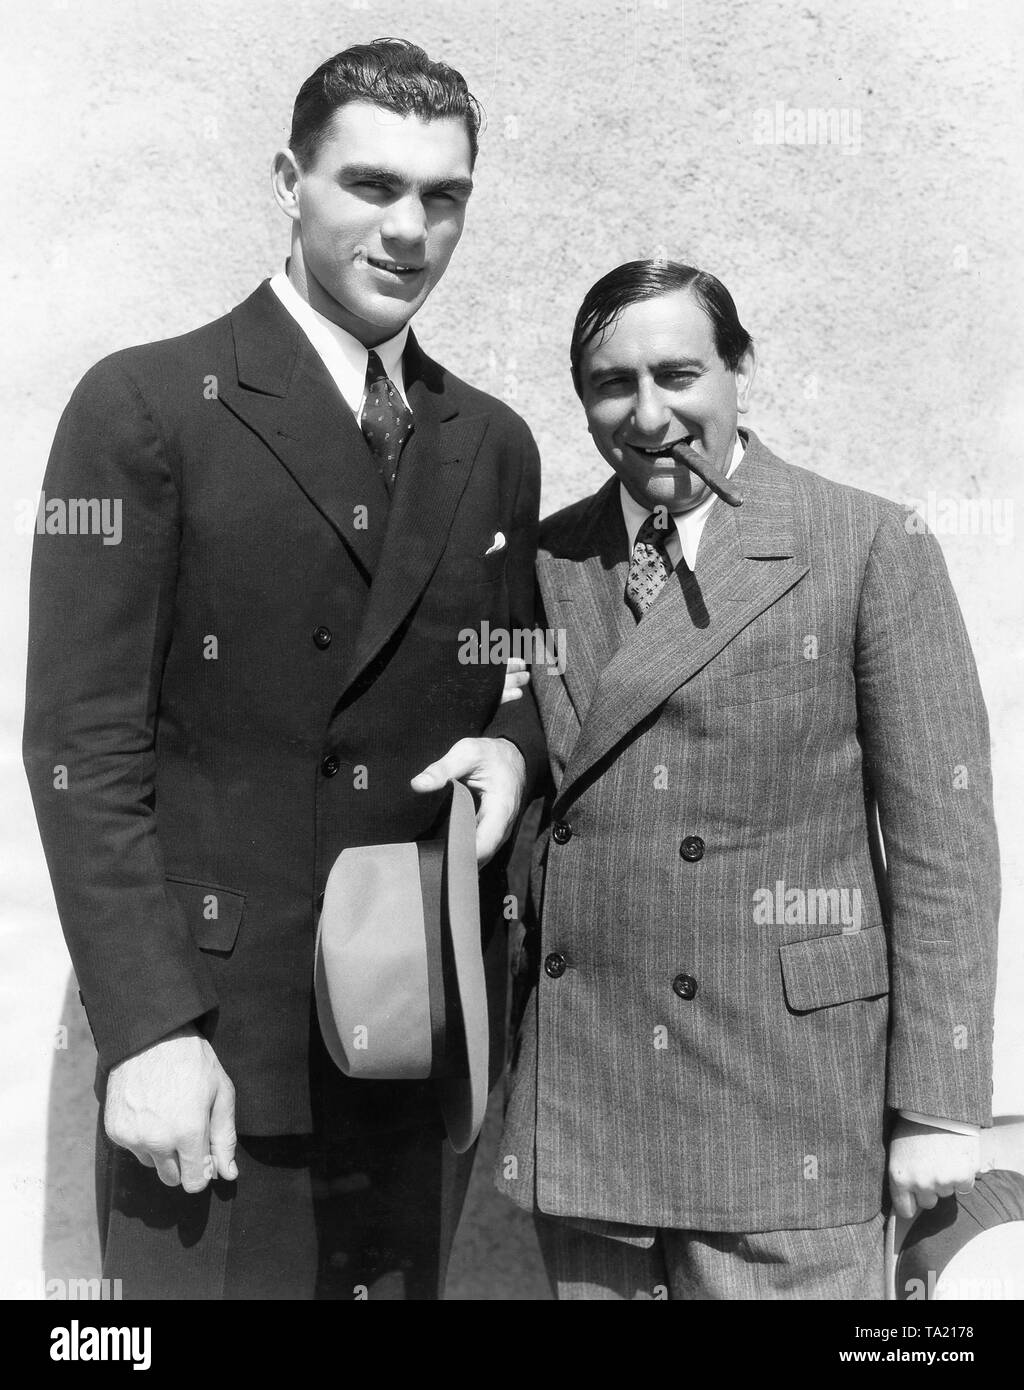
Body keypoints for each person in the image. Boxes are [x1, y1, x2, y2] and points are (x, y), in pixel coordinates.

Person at [23, 38, 544, 1300]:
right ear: (287, 180)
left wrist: (516, 750)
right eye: (369, 186)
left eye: (443, 197)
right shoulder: (148, 406)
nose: (408, 229)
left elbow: (526, 667)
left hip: (410, 1038)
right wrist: (148, 1030)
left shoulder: (492, 441)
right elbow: (81, 746)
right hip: (216, 1058)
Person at [496, 259, 999, 1300]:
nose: (647, 414)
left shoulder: (862, 540)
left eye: (678, 373)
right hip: (595, 1093)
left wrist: (941, 1104)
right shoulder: (548, 562)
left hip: (791, 1101)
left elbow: (943, 843)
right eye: (609, 384)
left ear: (739, 372)